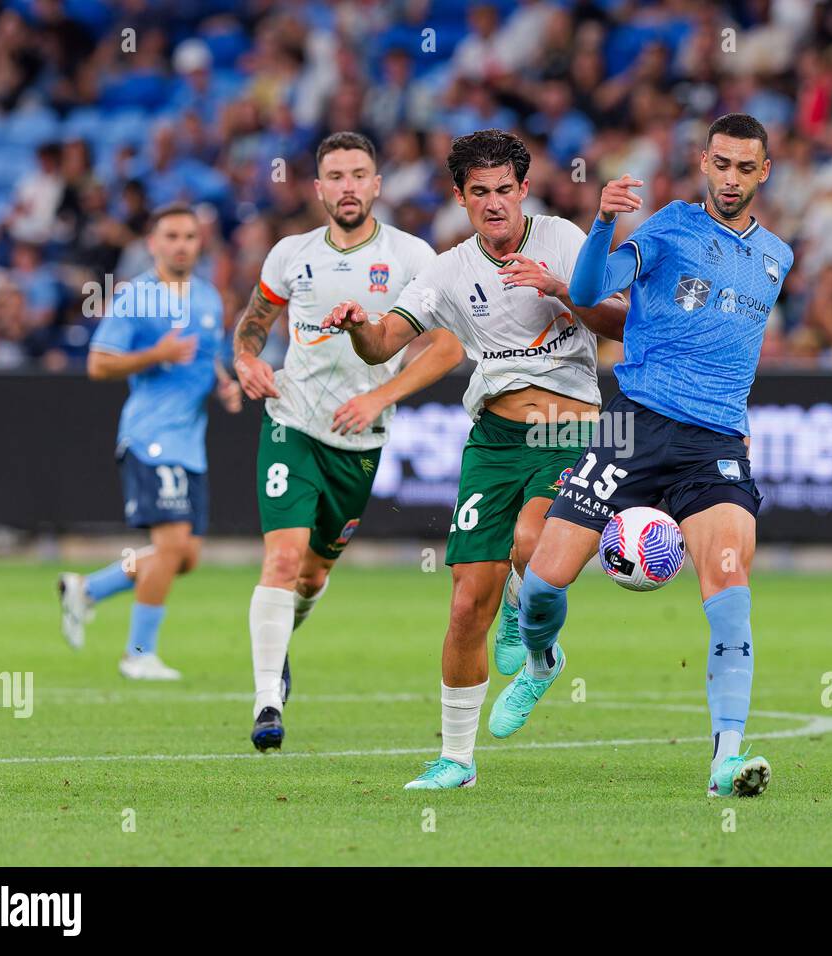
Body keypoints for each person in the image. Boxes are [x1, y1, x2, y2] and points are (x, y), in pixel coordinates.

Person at [487, 113, 794, 798]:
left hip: (713, 445)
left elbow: (728, 345)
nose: (733, 179)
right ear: (702, 162)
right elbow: (593, 292)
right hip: (633, 428)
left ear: (764, 172)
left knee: (728, 585)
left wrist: (733, 419)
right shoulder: (670, 229)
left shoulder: (778, 256)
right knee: (542, 581)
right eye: (722, 164)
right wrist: (602, 223)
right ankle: (540, 663)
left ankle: (728, 758)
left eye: (746, 167)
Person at [321, 128, 627, 789]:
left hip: (566, 432)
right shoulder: (448, 270)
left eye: (505, 190)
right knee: (465, 607)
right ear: (461, 197)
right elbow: (381, 346)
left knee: (529, 540)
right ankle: (457, 760)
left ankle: (537, 649)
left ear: (524, 189)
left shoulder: (567, 241)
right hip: (493, 442)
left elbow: (626, 322)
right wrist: (354, 325)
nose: (494, 204)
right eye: (479, 192)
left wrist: (561, 287)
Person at [231, 132, 465, 751]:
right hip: (292, 421)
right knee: (281, 559)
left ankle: (283, 644)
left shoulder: (413, 257)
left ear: (378, 184)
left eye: (359, 174)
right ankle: (266, 701)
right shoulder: (290, 254)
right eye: (335, 176)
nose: (348, 187)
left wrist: (379, 397)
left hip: (358, 442)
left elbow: (447, 346)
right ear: (319, 188)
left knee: (310, 577)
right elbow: (252, 326)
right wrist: (246, 360)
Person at [58, 204, 241, 679]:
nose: (181, 244)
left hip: (190, 442)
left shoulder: (206, 297)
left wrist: (225, 385)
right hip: (151, 436)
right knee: (171, 545)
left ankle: (88, 589)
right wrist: (155, 354)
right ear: (153, 244)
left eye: (189, 236)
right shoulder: (136, 297)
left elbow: (210, 360)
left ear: (200, 243)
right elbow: (98, 363)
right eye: (171, 236)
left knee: (185, 557)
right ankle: (138, 654)